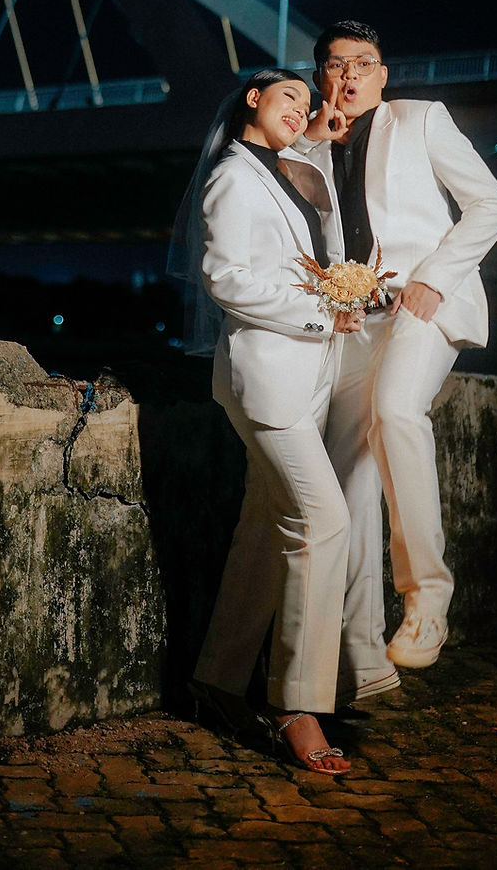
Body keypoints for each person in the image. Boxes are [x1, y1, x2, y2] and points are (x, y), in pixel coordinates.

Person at [294, 20, 497, 697]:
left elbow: (490, 204)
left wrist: (435, 276)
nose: (350, 75)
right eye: (336, 65)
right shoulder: (309, 150)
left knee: (396, 412)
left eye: (364, 63)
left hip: (424, 306)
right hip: (356, 324)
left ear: (384, 74)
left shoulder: (422, 119)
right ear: (321, 76)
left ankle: (428, 600)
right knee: (342, 486)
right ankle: (363, 657)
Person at [171, 68, 361, 774]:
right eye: (290, 97)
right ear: (253, 98)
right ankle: (296, 704)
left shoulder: (282, 170)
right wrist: (320, 310)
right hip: (266, 382)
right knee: (323, 522)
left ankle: (216, 679)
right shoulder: (231, 175)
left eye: (308, 103)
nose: (302, 109)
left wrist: (315, 134)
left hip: (308, 379)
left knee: (263, 528)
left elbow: (308, 207)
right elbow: (226, 277)